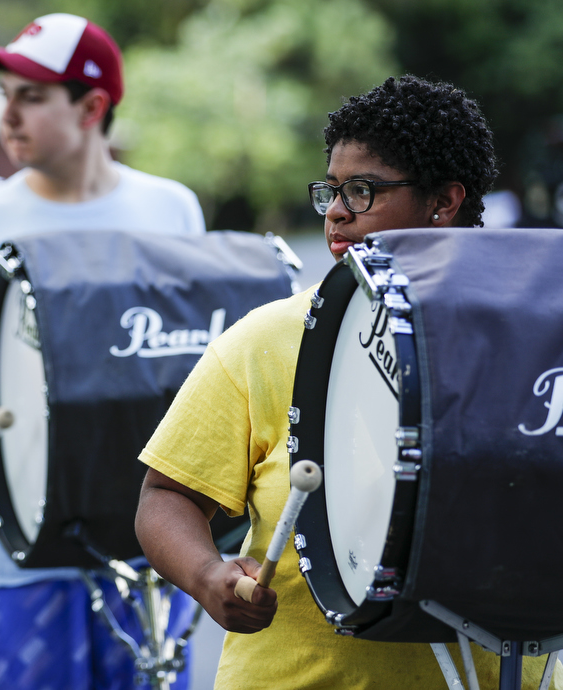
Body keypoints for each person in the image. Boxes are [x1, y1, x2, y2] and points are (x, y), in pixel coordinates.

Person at [135, 75, 563, 688]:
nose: (336, 211)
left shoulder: (538, 331)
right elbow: (165, 496)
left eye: (362, 191)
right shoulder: (267, 338)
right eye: (331, 190)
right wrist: (208, 576)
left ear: (444, 201)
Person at [0, 13, 206, 690]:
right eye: (4, 95)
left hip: (150, 550)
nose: (8, 114)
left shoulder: (173, 211)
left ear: (91, 107)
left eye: (30, 96)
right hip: (17, 562)